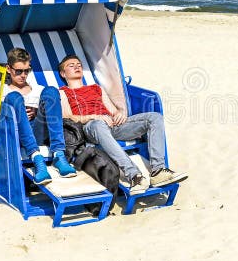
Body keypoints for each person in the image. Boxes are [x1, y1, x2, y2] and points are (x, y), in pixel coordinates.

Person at [57, 54, 187, 195]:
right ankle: (134, 175)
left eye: (79, 64)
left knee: (154, 117)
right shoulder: (63, 92)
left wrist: (120, 113)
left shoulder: (96, 88)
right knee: (97, 125)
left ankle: (158, 170)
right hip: (91, 127)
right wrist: (93, 116)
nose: (77, 66)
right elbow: (68, 117)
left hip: (112, 125)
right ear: (63, 73)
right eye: (71, 65)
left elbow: (113, 111)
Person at [3, 48, 76, 185]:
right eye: (18, 71)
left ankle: (59, 155)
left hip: (38, 131)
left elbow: (52, 111)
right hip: (16, 134)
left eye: (27, 71)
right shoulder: (0, 89)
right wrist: (15, 112)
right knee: (14, 97)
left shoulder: (38, 89)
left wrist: (37, 112)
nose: (23, 75)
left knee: (51, 91)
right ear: (8, 68)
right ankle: (37, 158)